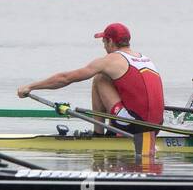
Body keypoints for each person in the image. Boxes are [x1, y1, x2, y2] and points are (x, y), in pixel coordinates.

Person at [17, 22, 163, 135]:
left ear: (110, 41)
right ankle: (112, 132)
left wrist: (31, 87)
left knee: (100, 77)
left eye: (104, 42)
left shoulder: (111, 60)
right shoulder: (144, 58)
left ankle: (98, 134)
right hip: (156, 126)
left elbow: (65, 78)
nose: (104, 47)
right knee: (111, 79)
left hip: (135, 127)